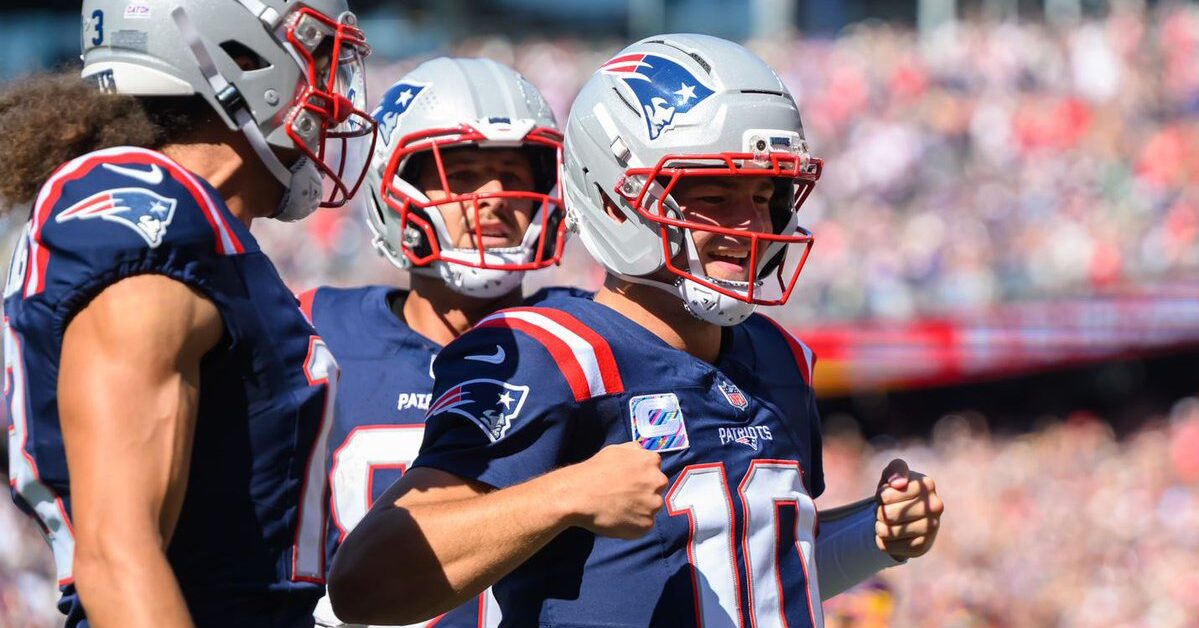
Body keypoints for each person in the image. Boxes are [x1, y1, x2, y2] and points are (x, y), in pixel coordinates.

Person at [328, 34, 944, 627]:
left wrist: (874, 537)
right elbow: (366, 582)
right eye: (715, 194)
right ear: (620, 198)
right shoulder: (550, 352)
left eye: (765, 193)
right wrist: (563, 495)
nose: (752, 222)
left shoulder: (780, 356)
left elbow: (755, 578)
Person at [0, 1, 375, 626]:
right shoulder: (150, 209)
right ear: (240, 58)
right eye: (318, 56)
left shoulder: (205, 227)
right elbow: (119, 558)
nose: (334, 95)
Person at [305, 57, 575, 628]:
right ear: (392, 192)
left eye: (515, 173)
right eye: (466, 173)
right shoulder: (312, 330)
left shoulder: (584, 337)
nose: (497, 194)